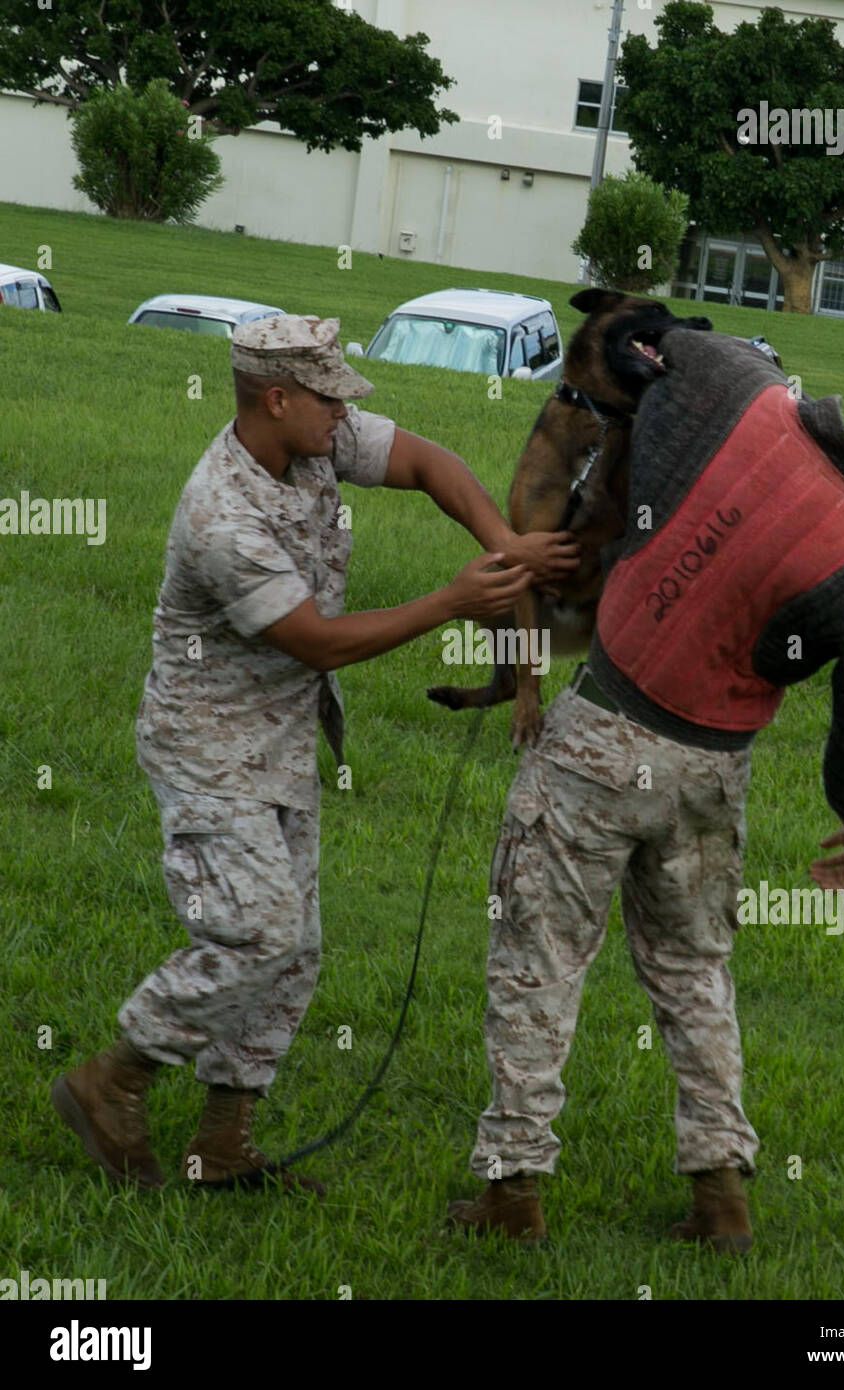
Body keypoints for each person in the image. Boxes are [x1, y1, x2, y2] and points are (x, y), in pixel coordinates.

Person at [448, 330, 844, 1249]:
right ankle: (720, 1191)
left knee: (538, 962)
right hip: (710, 773)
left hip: (598, 736)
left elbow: (657, 343)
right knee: (695, 974)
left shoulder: (747, 397)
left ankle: (513, 1187)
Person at [51, 314, 579, 1194]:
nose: (346, 412)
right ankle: (113, 1079)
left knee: (295, 951)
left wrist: (503, 543)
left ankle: (222, 1141)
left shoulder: (312, 441)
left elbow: (428, 462)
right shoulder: (221, 513)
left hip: (281, 737)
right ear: (277, 397)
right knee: (255, 929)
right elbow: (318, 642)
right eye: (329, 396)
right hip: (207, 741)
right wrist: (450, 603)